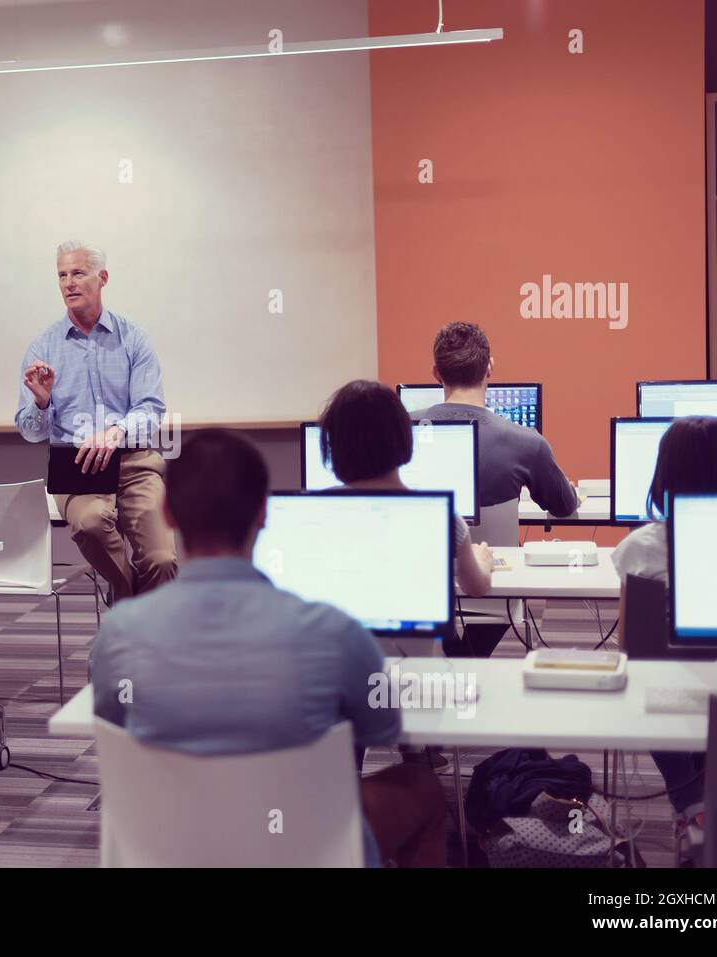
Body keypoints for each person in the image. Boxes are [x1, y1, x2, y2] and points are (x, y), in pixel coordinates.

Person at [90, 429, 447, 867]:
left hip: (177, 846)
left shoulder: (119, 634)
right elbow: (383, 729)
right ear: (263, 512)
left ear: (167, 513)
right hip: (303, 846)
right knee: (424, 787)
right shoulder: (335, 632)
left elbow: (114, 724)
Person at [610, 416, 717, 852]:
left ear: (664, 475)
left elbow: (627, 647)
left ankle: (690, 806)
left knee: (654, 685)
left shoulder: (640, 548)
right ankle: (708, 804)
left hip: (665, 701)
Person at [16, 240, 177, 602]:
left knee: (163, 560)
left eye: (78, 273)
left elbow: (151, 410)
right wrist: (41, 404)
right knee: (90, 524)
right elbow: (30, 432)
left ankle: (130, 619)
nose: (69, 282)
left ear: (102, 278)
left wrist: (116, 432)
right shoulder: (43, 348)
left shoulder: (133, 339)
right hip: (77, 469)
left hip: (134, 462)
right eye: (62, 275)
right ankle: (129, 603)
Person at [408, 322, 579, 657]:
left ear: (435, 373)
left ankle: (454, 658)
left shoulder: (399, 432)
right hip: (496, 591)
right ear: (490, 368)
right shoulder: (527, 442)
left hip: (414, 585)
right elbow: (563, 508)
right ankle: (466, 658)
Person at [318, 380, 493, 598]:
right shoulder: (443, 516)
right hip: (417, 633)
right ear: (404, 438)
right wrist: (483, 561)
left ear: (332, 446)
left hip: (338, 632)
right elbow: (476, 587)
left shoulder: (313, 512)